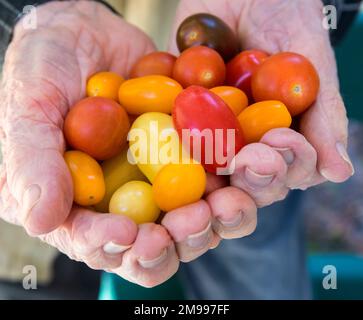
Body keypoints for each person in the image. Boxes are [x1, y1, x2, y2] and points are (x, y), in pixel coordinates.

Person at [0, 0, 359, 299]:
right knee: (44, 252)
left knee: (254, 246)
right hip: (74, 74)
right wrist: (33, 10)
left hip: (247, 167)